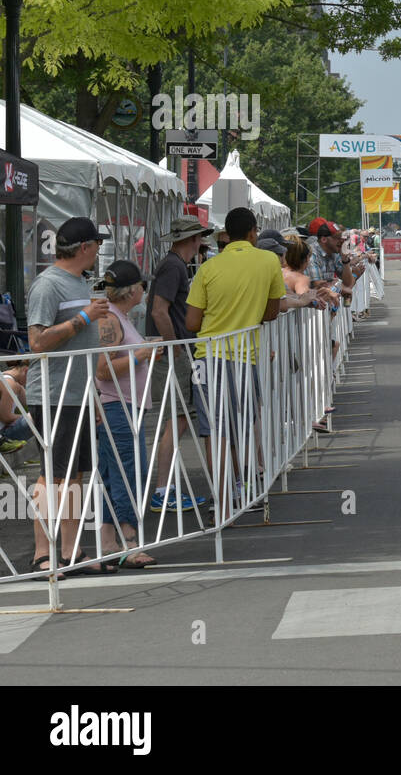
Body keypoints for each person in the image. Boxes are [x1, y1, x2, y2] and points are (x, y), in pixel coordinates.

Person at [25, 217, 115, 575]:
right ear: (84, 248)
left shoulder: (79, 282)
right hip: (51, 394)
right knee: (53, 475)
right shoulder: (48, 285)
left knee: (74, 475)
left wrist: (90, 392)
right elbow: (37, 342)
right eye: (97, 244)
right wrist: (84, 317)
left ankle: (71, 550)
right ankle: (42, 553)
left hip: (75, 392)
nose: (98, 251)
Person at [186, 207, 286, 513]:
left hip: (208, 356)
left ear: (226, 235)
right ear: (254, 231)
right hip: (245, 355)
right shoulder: (268, 260)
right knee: (243, 425)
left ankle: (223, 497)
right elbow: (271, 311)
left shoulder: (207, 268)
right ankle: (246, 486)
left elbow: (192, 322)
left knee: (213, 430)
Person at [93, 260, 161, 567]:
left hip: (125, 405)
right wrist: (141, 354)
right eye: (142, 285)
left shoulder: (119, 316)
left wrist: (142, 353)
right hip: (117, 405)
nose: (145, 290)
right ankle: (129, 542)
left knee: (114, 474)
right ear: (133, 290)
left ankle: (108, 543)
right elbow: (103, 370)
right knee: (129, 473)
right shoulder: (111, 319)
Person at [145, 214, 212, 514]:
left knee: (178, 417)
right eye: (199, 237)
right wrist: (174, 348)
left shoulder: (173, 265)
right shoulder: (173, 266)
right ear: (193, 239)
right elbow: (160, 310)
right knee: (178, 417)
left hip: (175, 348)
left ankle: (164, 487)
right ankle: (162, 488)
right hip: (173, 350)